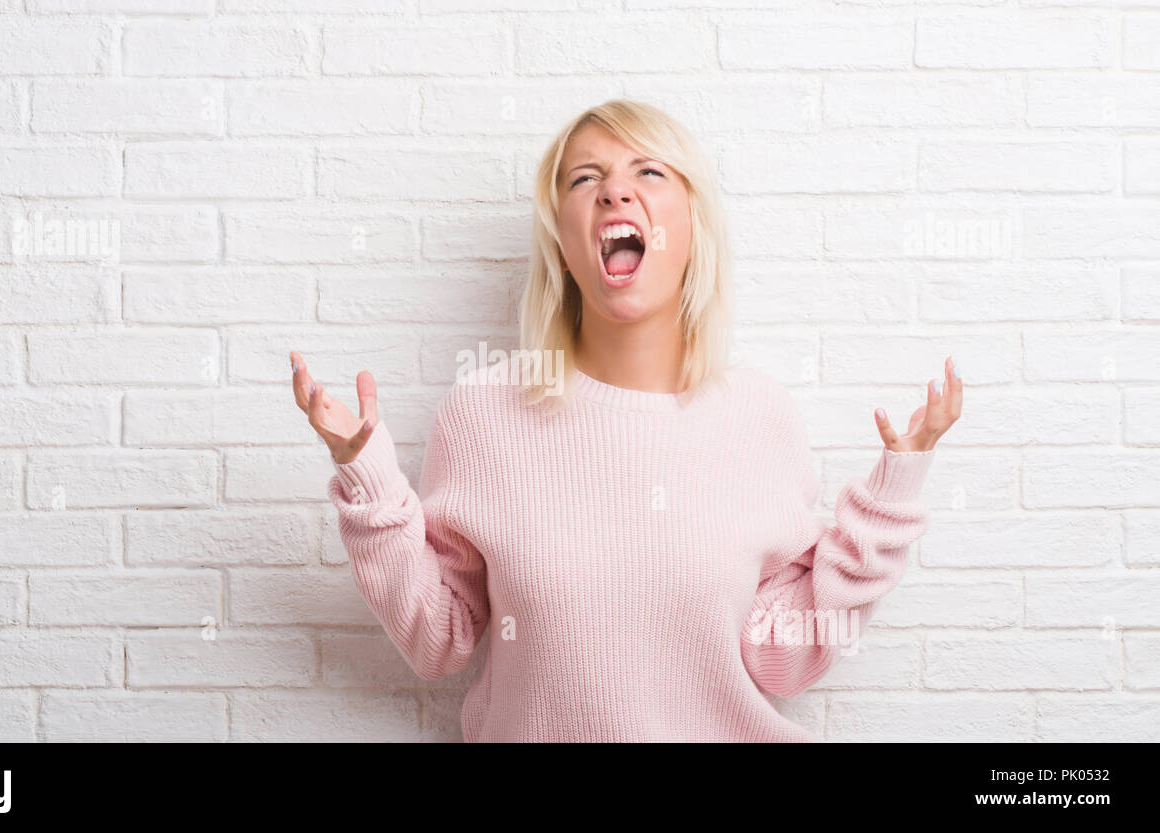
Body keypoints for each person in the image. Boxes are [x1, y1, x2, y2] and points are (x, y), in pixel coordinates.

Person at [290, 99, 962, 742]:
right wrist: (369, 480)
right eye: (586, 179)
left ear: (693, 229)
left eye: (648, 172)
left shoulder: (760, 418)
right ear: (561, 244)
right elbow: (440, 640)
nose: (616, 193)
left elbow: (781, 656)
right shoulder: (482, 416)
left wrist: (888, 501)